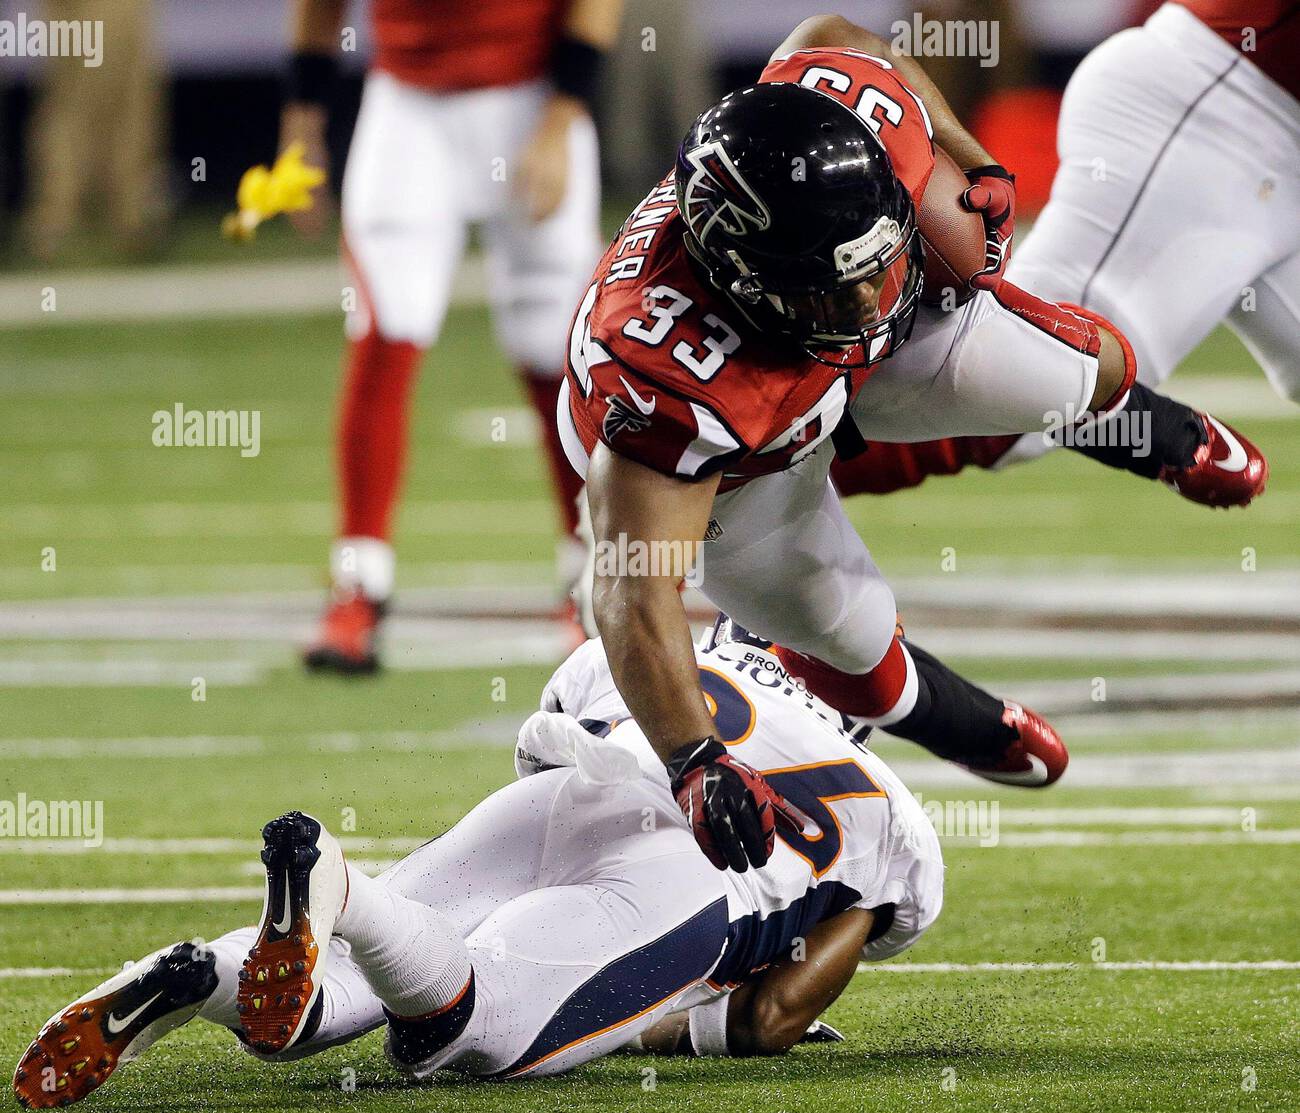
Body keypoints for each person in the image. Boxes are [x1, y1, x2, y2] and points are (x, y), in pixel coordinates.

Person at [562, 14, 1269, 875]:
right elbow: (634, 591)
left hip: (829, 357)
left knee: (1087, 364)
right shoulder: (666, 379)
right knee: (849, 638)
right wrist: (695, 761)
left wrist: (972, 160)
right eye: (840, 285)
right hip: (745, 470)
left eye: (877, 264)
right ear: (745, 278)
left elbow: (846, 39)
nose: (871, 298)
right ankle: (935, 709)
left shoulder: (848, 149)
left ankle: (1146, 427)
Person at [13, 632, 941, 1107]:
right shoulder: (889, 813)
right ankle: (340, 887)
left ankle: (197, 971)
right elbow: (770, 1016)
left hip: (558, 798)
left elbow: (546, 771)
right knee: (467, 1030)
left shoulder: (673, 648)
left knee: (314, 1007)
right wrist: (656, 1025)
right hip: (686, 878)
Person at [833, 0, 1296, 495]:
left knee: (1015, 379)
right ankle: (764, 462)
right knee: (1018, 381)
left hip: (1267, 135)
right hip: (1223, 118)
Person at [288, 0, 622, 673]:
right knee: (386, 331)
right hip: (408, 106)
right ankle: (359, 582)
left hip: (531, 95)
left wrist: (562, 117)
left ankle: (591, 574)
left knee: (556, 348)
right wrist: (302, 119)